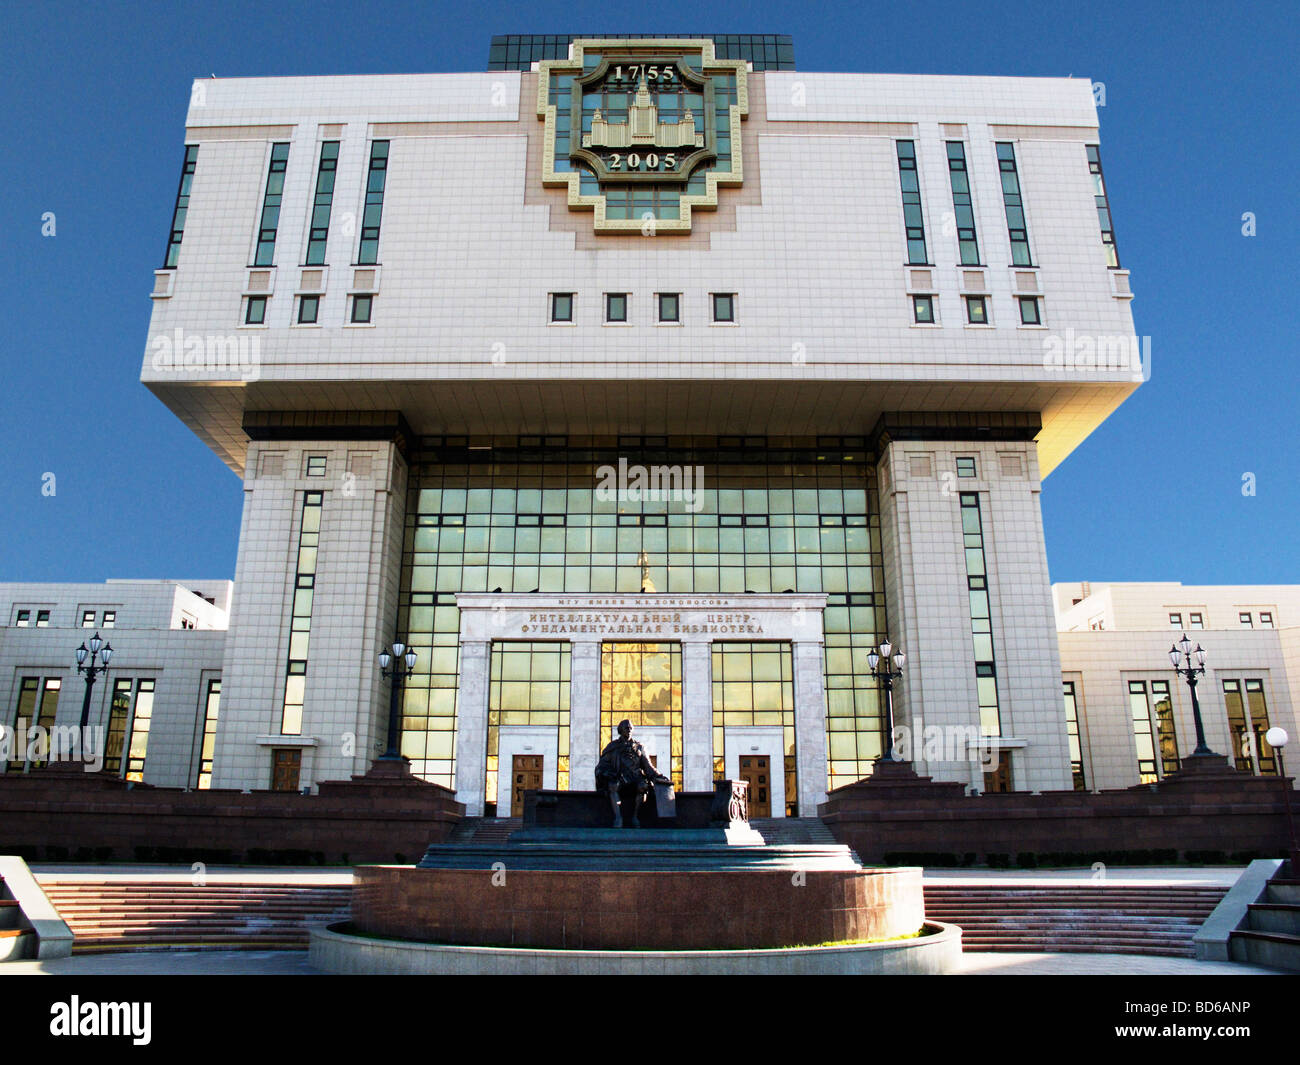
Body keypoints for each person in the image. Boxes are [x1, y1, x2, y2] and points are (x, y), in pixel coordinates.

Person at [594, 719, 670, 828]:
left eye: (630, 728)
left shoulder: (639, 747)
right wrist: (609, 774)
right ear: (620, 730)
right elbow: (602, 766)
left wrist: (659, 777)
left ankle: (635, 817)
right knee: (613, 785)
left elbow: (648, 767)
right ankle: (618, 818)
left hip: (635, 778)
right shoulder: (612, 747)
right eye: (626, 728)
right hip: (620, 778)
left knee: (643, 786)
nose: (629, 730)